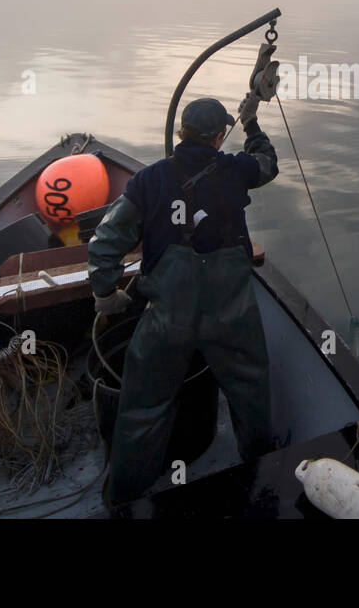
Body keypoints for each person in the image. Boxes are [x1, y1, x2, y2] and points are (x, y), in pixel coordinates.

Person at [88, 93, 278, 506]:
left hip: (168, 319)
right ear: (216, 138)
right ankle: (264, 475)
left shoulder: (149, 180)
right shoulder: (237, 170)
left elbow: (103, 247)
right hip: (233, 316)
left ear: (181, 133)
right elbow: (267, 162)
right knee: (251, 392)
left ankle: (123, 499)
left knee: (143, 408)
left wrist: (108, 297)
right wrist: (251, 125)